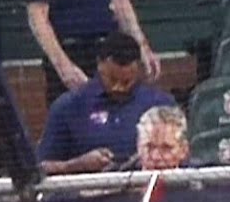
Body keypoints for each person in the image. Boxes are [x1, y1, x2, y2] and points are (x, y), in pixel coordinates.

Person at [37, 32, 177, 175]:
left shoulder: (161, 105)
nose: (118, 88)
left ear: (138, 69)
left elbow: (182, 158)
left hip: (146, 192)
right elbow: (41, 168)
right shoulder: (68, 107)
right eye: (112, 79)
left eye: (126, 82)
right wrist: (77, 165)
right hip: (86, 193)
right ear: (99, 65)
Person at [27, 0, 162, 109]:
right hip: (71, 50)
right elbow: (37, 14)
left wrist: (142, 47)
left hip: (108, 51)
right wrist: (64, 68)